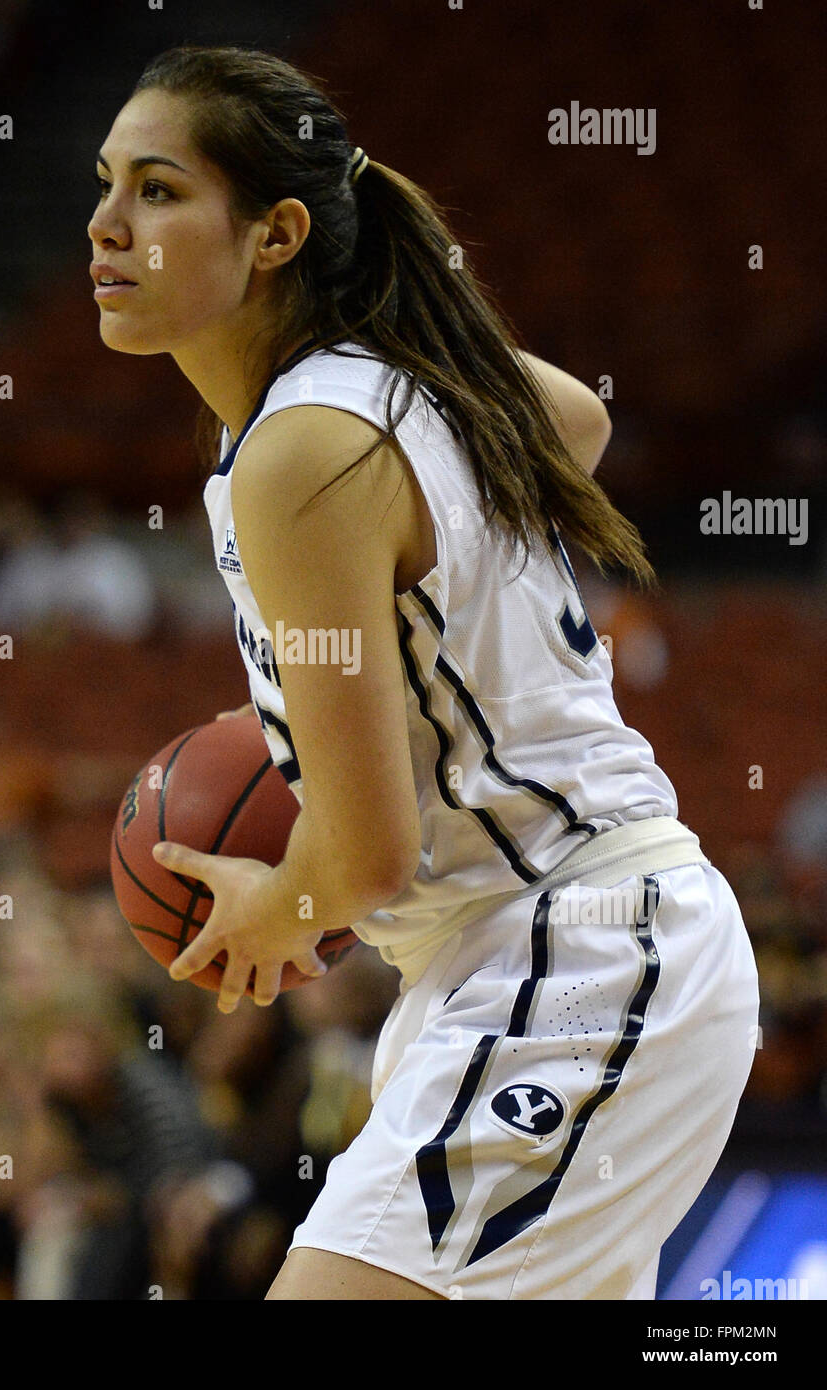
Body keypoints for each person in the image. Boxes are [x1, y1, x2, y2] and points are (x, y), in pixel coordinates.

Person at [86, 44, 760, 1301]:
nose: (105, 224)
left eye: (158, 191)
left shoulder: (302, 448)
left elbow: (364, 864)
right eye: (106, 183)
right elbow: (574, 423)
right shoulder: (376, 400)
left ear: (276, 232)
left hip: (577, 950)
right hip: (517, 963)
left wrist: (266, 913)